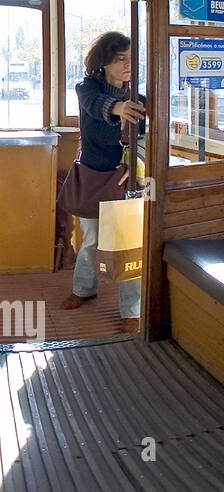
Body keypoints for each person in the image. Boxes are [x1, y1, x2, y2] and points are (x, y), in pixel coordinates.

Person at [59, 32, 146, 309]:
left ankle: (132, 309)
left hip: (126, 177)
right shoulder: (87, 88)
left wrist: (135, 165)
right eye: (121, 59)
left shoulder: (139, 97)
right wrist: (120, 108)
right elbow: (96, 107)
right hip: (94, 175)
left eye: (131, 58)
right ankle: (83, 289)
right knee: (92, 240)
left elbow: (142, 139)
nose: (128, 65)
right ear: (104, 62)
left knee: (128, 242)